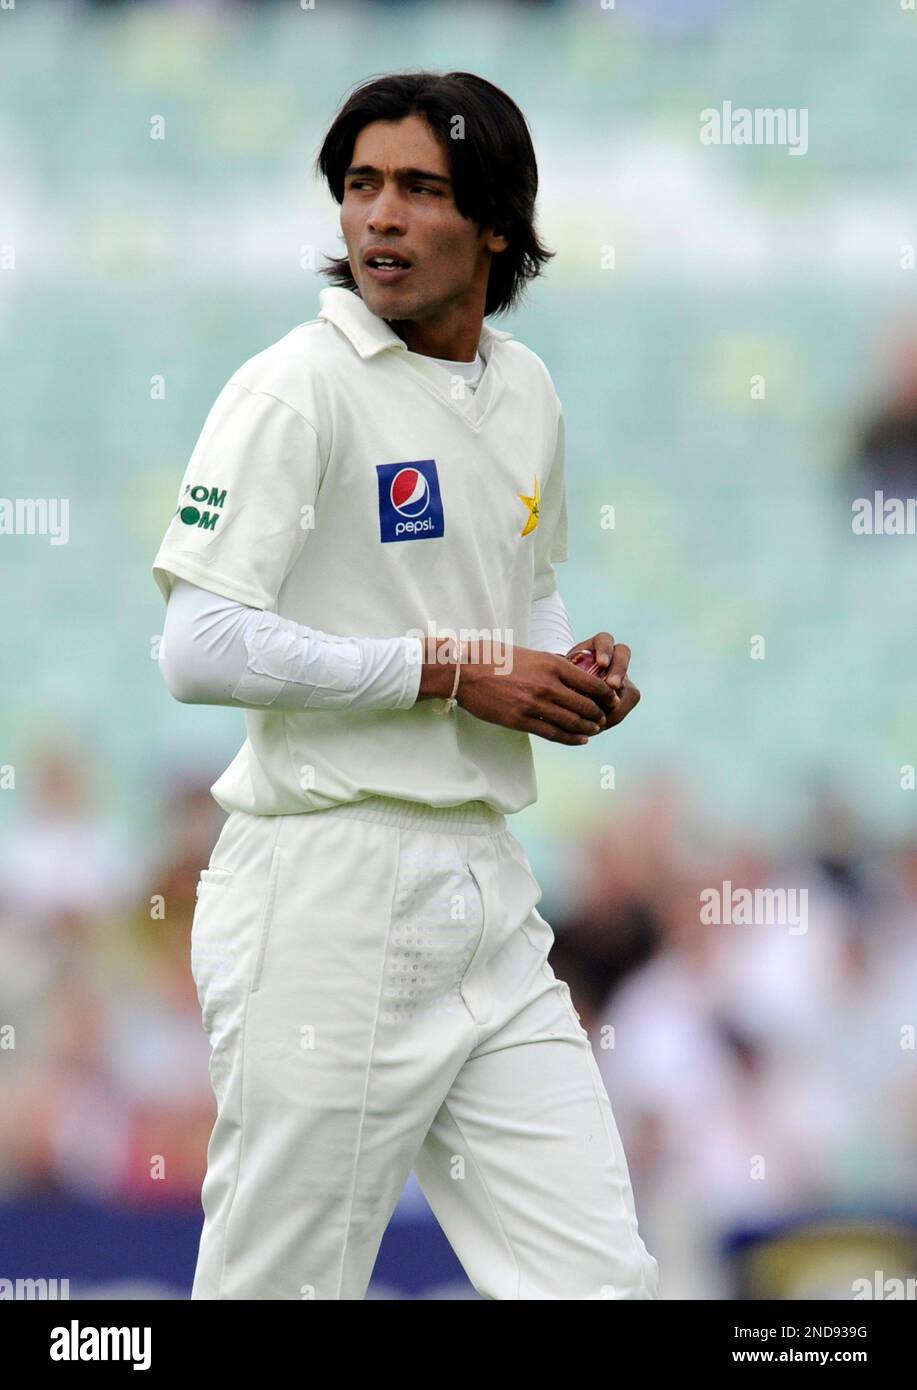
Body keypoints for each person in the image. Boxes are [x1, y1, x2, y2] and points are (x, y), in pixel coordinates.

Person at [151, 69, 659, 1301]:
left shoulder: (525, 390)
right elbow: (199, 646)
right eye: (360, 187)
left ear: (494, 221)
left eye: (419, 190)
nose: (378, 217)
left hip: (482, 886)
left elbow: (518, 592)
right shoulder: (296, 387)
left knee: (601, 1285)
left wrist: (561, 670)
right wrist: (449, 672)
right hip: (325, 883)